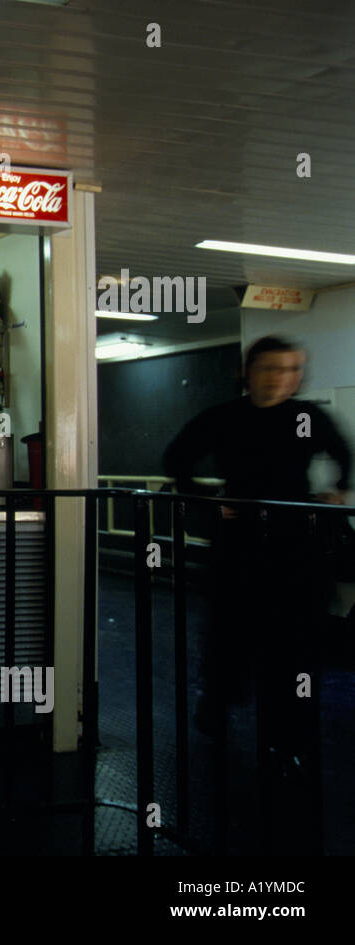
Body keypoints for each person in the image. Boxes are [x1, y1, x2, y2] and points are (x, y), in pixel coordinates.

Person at [163, 334, 350, 852]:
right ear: (250, 372)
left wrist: (337, 490)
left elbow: (340, 454)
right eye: (271, 368)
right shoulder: (224, 416)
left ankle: (285, 735)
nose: (281, 379)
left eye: (291, 370)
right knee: (231, 628)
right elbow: (176, 458)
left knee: (294, 642)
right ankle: (218, 699)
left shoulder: (306, 418)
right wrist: (207, 497)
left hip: (294, 547)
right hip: (241, 545)